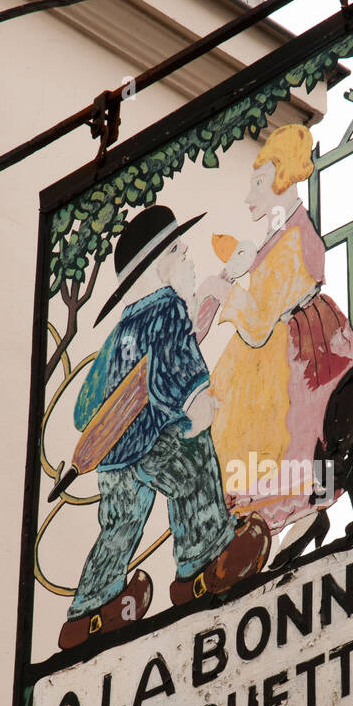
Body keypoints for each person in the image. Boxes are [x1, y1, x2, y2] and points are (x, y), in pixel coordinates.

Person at [58, 205, 270, 650]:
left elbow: (103, 392)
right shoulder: (168, 306)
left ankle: (89, 611)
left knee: (120, 523)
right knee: (194, 469)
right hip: (154, 434)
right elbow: (177, 365)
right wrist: (198, 404)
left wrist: (225, 279)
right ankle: (206, 558)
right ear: (156, 268)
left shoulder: (123, 328)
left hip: (114, 451)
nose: (189, 257)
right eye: (178, 250)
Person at [195, 124, 353, 534]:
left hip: (298, 352)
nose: (250, 195)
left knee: (295, 433)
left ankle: (297, 515)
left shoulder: (291, 240)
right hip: (294, 341)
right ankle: (281, 517)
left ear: (283, 177)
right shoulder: (280, 233)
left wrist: (223, 291)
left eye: (259, 183)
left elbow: (257, 324)